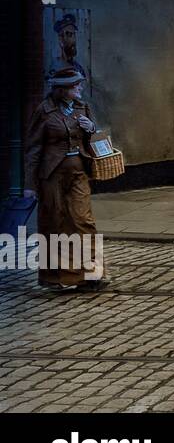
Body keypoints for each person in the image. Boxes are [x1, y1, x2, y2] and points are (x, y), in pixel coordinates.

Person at [22, 66, 108, 292]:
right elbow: (33, 149)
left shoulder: (83, 107)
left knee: (83, 221)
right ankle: (54, 277)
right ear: (62, 90)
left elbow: (95, 136)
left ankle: (92, 274)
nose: (80, 88)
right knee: (54, 223)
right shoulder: (44, 111)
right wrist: (29, 186)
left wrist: (91, 128)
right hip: (51, 176)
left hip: (78, 172)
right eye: (75, 85)